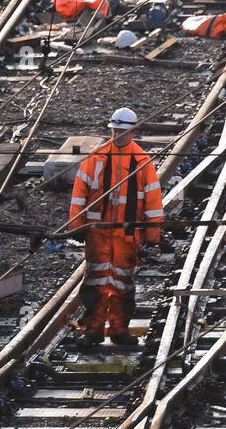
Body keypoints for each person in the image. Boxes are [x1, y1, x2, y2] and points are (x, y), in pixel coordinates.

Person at [68, 107, 164, 347]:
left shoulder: (141, 161)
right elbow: (79, 194)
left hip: (126, 235)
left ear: (132, 131)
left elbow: (153, 200)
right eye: (115, 131)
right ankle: (93, 329)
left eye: (122, 131)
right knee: (95, 281)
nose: (118, 135)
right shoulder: (96, 158)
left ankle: (119, 329)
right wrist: (76, 227)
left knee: (122, 283)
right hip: (98, 233)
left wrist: (152, 235)